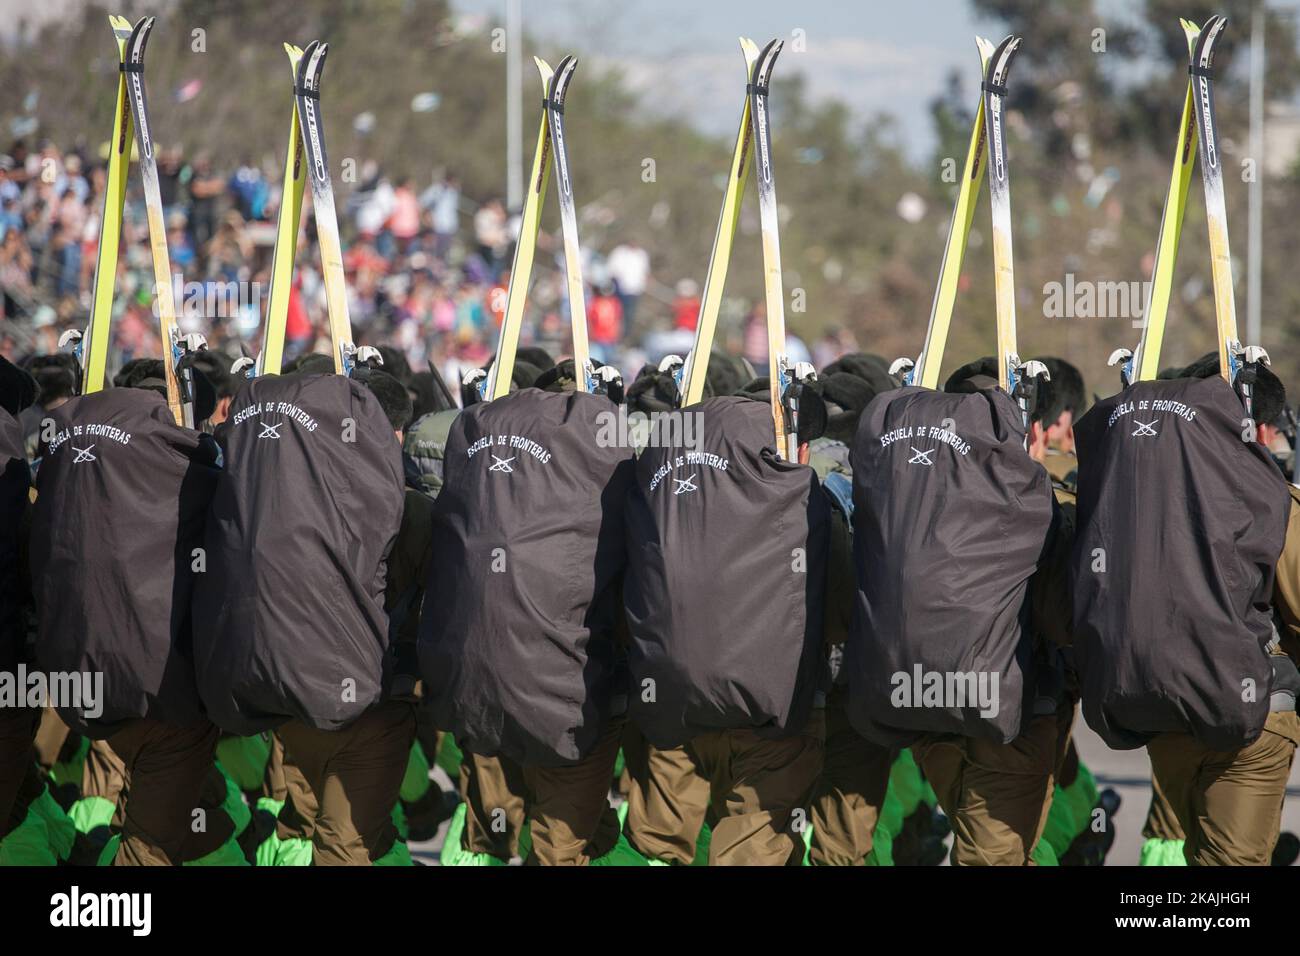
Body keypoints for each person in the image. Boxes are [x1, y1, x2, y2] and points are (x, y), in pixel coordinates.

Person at [1143, 355, 1300, 866]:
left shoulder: (1136, 497)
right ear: (1264, 427)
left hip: (1158, 711)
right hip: (1249, 715)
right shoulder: (1273, 498)